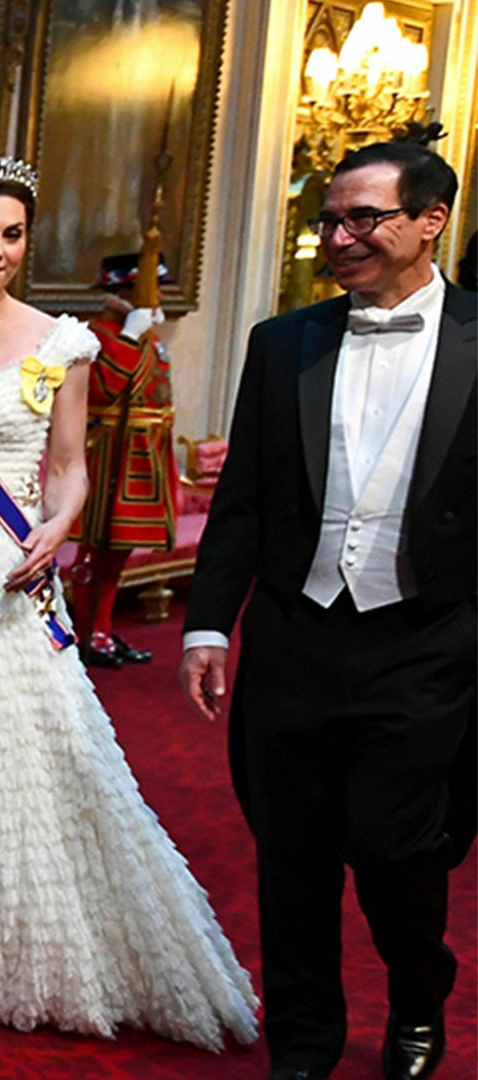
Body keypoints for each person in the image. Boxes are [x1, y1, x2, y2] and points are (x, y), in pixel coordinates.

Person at [0, 155, 258, 1050]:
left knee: (16, 764)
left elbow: (69, 470)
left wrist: (57, 531)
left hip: (5, 573)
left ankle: (6, 955)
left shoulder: (62, 342)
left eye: (12, 236)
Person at [181, 140, 474, 1080]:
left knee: (398, 849)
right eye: (329, 221)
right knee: (291, 855)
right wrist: (205, 621)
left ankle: (419, 993)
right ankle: (302, 1049)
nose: (338, 238)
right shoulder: (283, 343)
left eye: (364, 219)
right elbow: (244, 505)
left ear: (430, 220)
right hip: (296, 636)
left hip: (426, 640)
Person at [67, 251, 176, 669]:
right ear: (122, 291)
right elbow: (101, 390)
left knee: (120, 553)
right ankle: (87, 632)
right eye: (148, 288)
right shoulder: (96, 336)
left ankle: (104, 627)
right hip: (109, 453)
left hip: (144, 454)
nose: (156, 296)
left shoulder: (150, 337)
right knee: (95, 552)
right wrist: (128, 338)